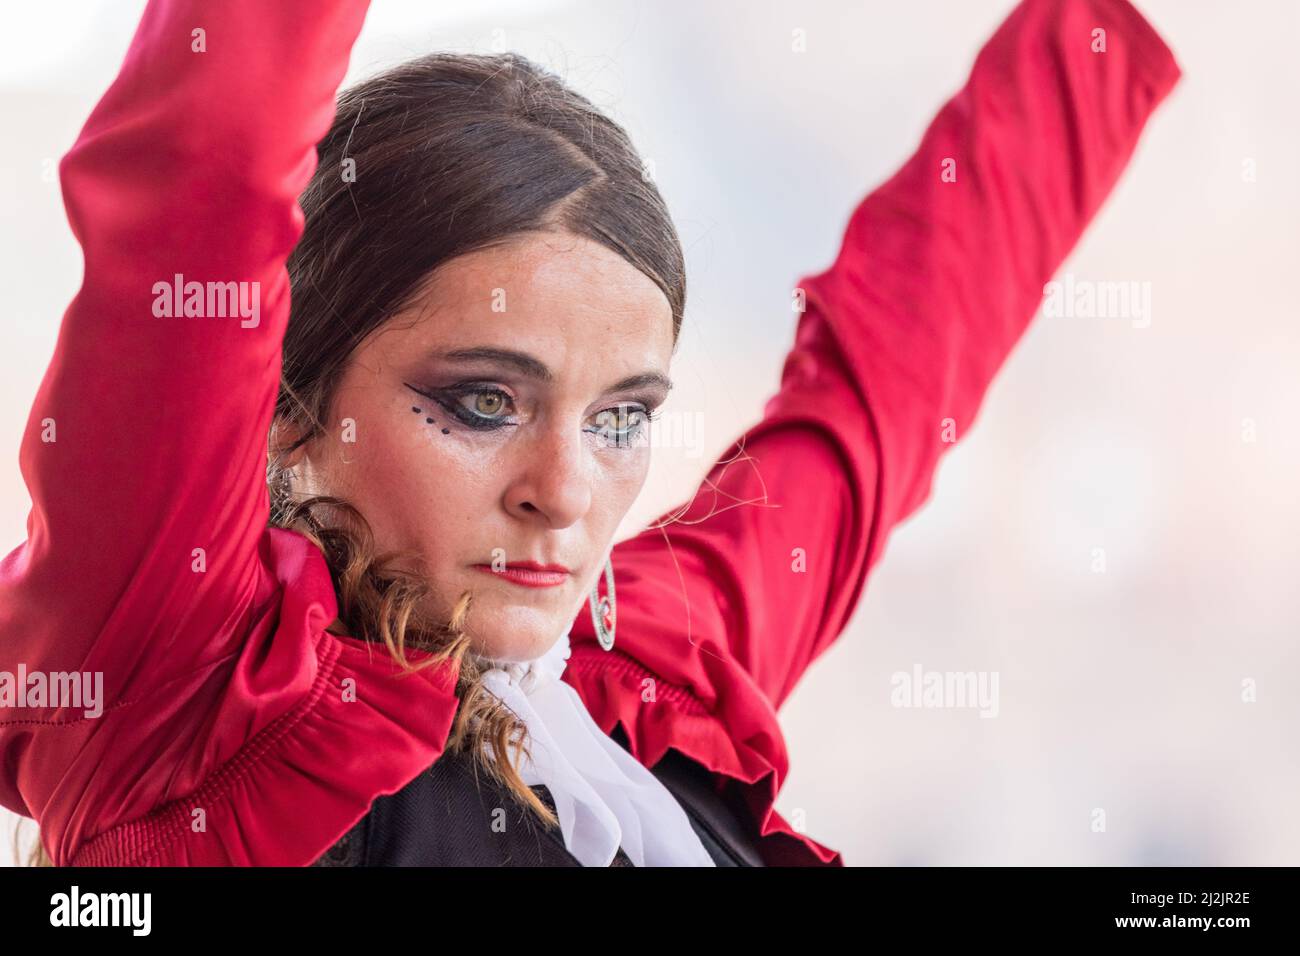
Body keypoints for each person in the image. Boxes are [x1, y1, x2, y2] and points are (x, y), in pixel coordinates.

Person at [0, 0, 1179, 866]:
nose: (564, 492)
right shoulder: (182, 680)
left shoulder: (653, 669)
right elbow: (204, 162)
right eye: (482, 402)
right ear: (293, 407)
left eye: (621, 416)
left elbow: (896, 369)